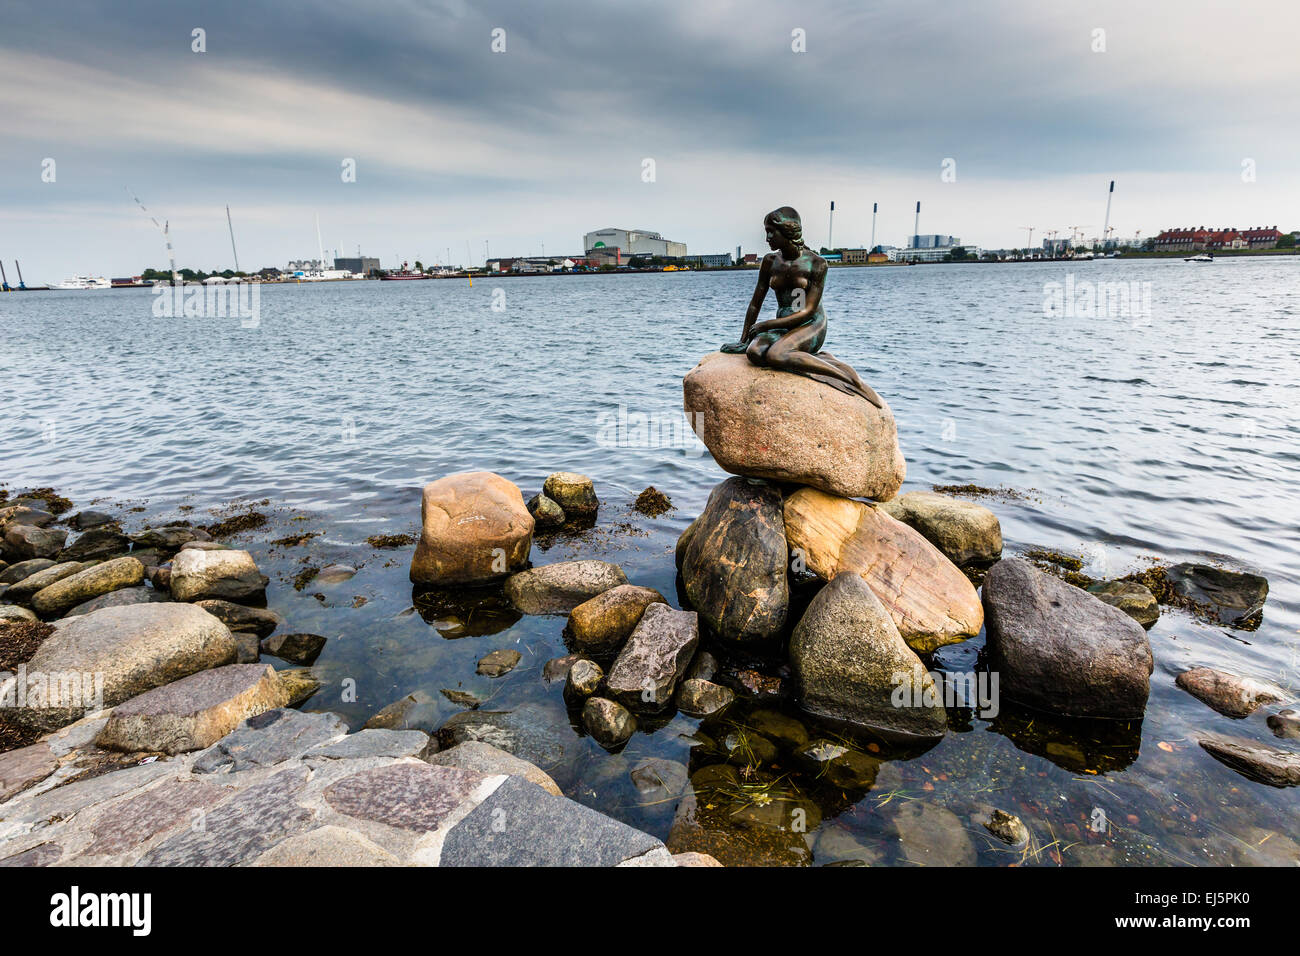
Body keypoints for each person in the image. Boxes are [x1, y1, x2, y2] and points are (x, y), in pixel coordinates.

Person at [722, 206, 883, 407]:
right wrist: (744, 339)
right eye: (766, 232)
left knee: (776, 354)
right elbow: (755, 303)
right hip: (783, 325)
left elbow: (808, 310)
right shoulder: (769, 262)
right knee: (754, 353)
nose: (767, 238)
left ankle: (849, 379)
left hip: (810, 324)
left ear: (788, 231)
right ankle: (808, 358)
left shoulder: (816, 263)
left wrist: (767, 325)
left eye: (772, 232)